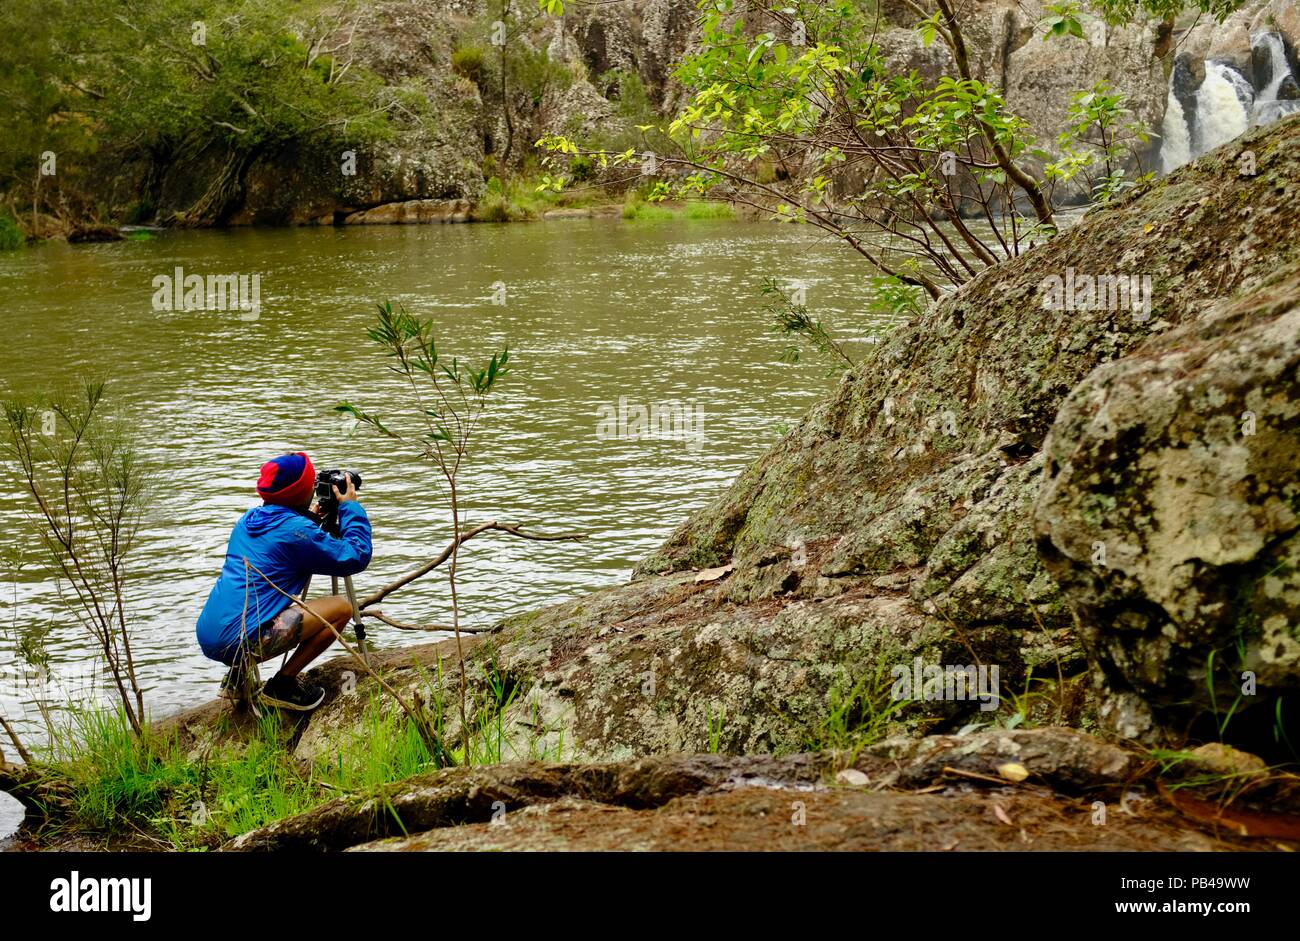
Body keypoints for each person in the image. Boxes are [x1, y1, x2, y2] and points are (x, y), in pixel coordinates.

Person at [195, 451, 372, 711]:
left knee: (260, 598)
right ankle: (283, 685)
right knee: (341, 609)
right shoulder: (295, 532)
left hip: (210, 634)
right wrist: (350, 508)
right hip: (240, 641)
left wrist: (309, 517)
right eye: (311, 485)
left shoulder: (248, 521)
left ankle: (236, 677)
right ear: (301, 492)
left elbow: (286, 533)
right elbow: (354, 556)